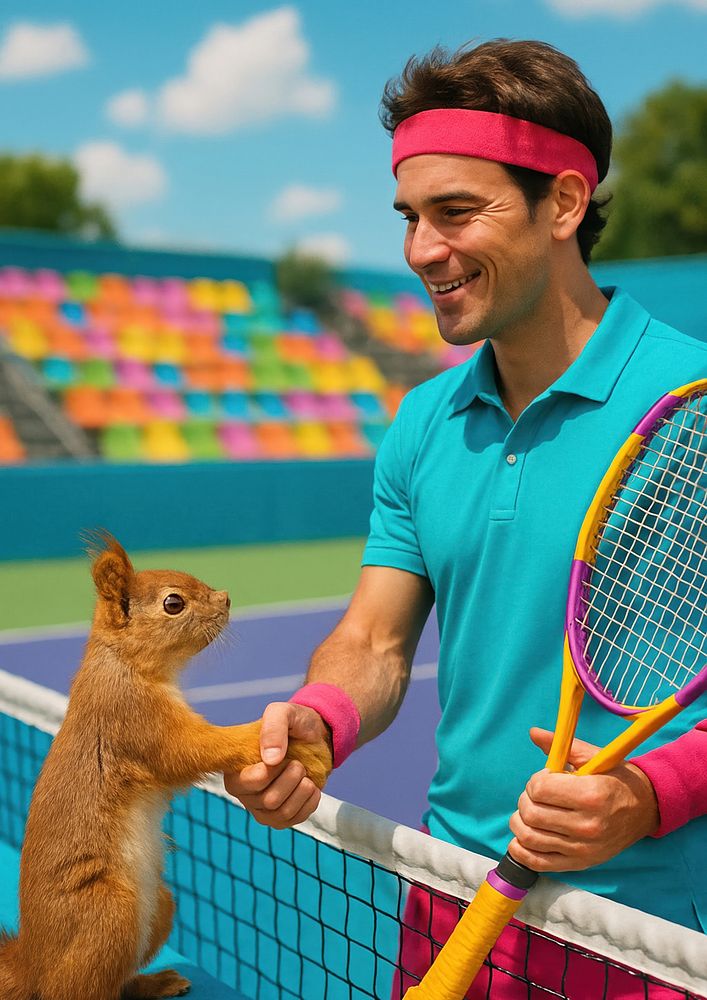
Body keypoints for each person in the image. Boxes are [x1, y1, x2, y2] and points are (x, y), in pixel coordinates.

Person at [224, 37, 707, 990]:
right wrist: (317, 729)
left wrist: (649, 792)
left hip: (639, 937)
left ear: (564, 202)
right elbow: (374, 640)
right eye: (408, 216)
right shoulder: (420, 424)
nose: (420, 251)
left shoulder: (692, 399)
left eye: (456, 213)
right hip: (447, 897)